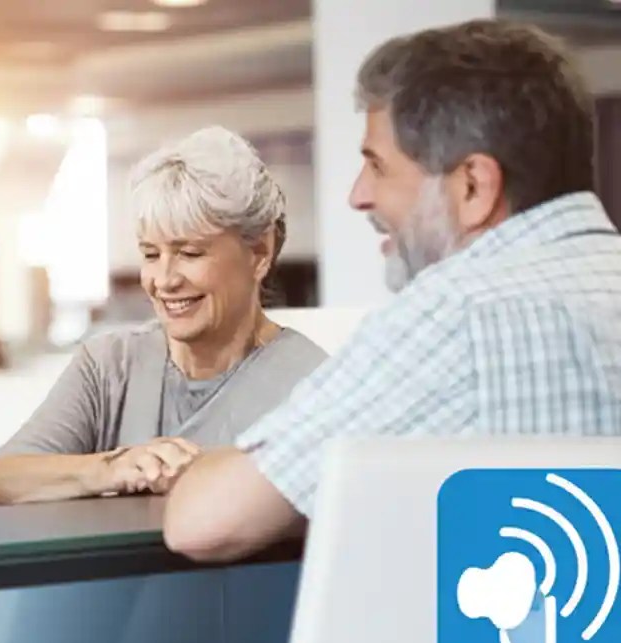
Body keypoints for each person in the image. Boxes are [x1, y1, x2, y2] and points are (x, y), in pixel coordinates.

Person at [163, 19, 621, 562]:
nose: (358, 195)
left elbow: (206, 521)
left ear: (474, 186)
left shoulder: (457, 313)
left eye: (377, 166)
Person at [0, 127, 329, 506]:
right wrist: (111, 468)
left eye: (190, 253)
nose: (164, 280)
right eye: (150, 254)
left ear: (259, 253)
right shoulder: (108, 367)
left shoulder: (310, 386)